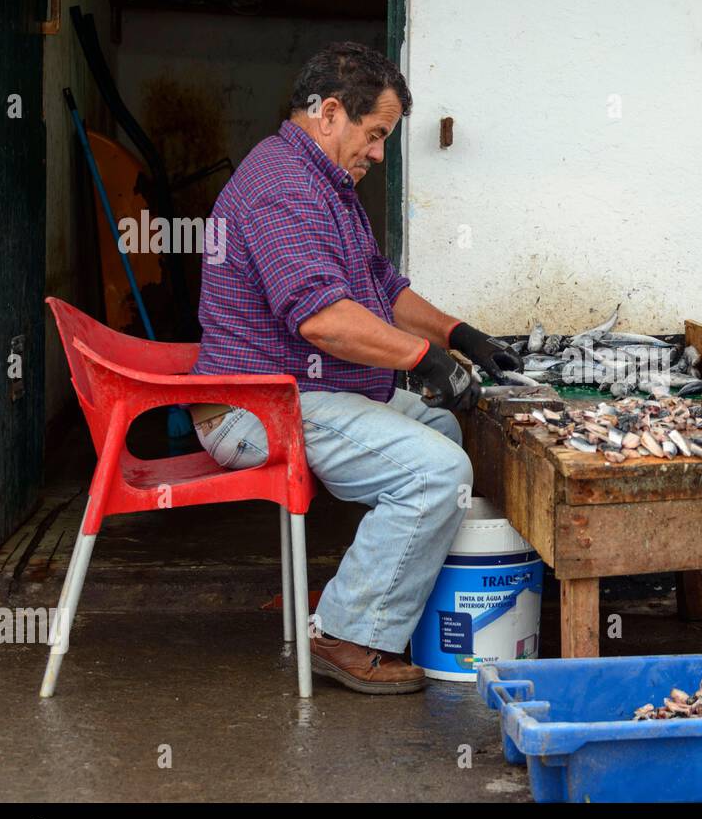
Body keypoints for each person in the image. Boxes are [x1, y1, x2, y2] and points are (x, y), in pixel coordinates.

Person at [189, 42, 523, 693]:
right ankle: (345, 631)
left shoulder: (327, 184)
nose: (377, 153)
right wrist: (422, 358)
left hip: (304, 393)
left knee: (445, 429)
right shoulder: (281, 186)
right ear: (331, 113)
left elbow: (381, 284)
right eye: (374, 136)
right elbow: (320, 318)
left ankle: (383, 596)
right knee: (439, 470)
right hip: (257, 408)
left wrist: (461, 335)